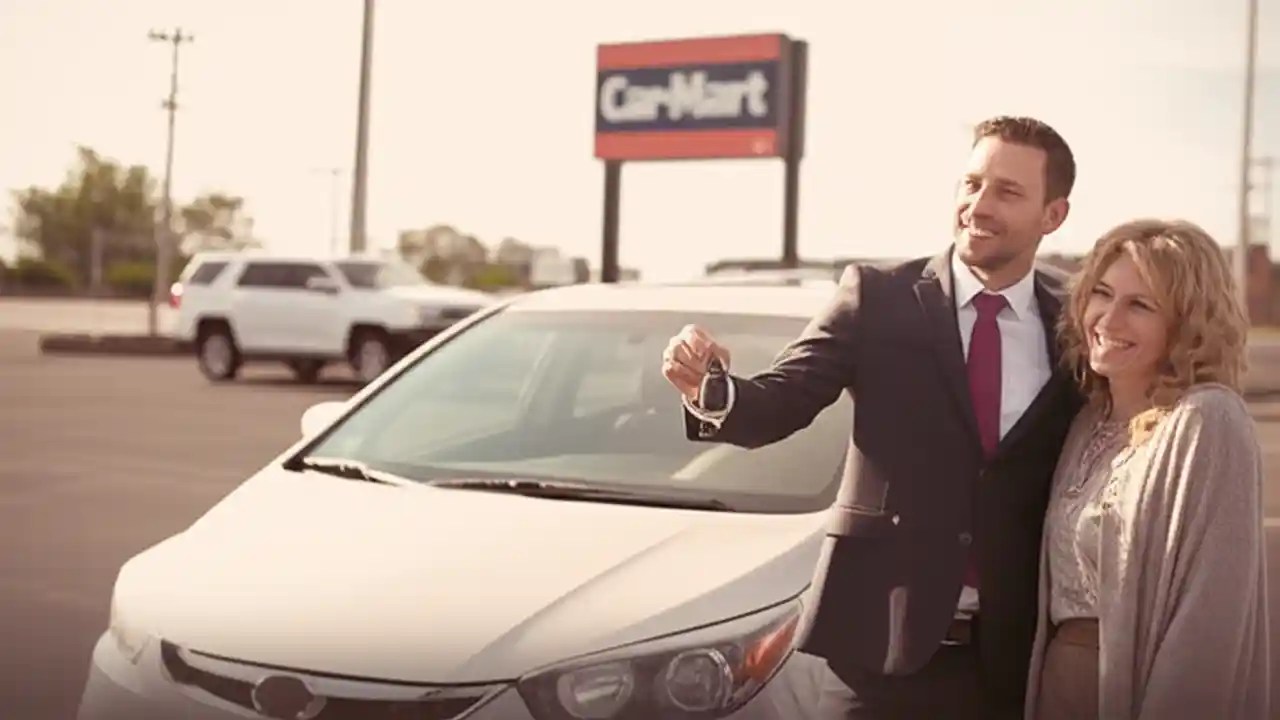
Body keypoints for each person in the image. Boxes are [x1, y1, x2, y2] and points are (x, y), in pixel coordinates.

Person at [662, 115, 1083, 718]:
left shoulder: (1075, 322)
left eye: (1008, 192)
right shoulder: (877, 297)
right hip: (876, 657)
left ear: (1053, 215)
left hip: (1012, 664)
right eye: (972, 184)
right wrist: (712, 390)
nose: (979, 205)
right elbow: (780, 402)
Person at [1025, 218, 1269, 719]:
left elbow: (1209, 618)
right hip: (1062, 686)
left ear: (1186, 324)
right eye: (1102, 294)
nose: (1109, 319)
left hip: (1140, 690)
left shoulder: (1208, 419)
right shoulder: (1088, 422)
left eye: (1140, 305)